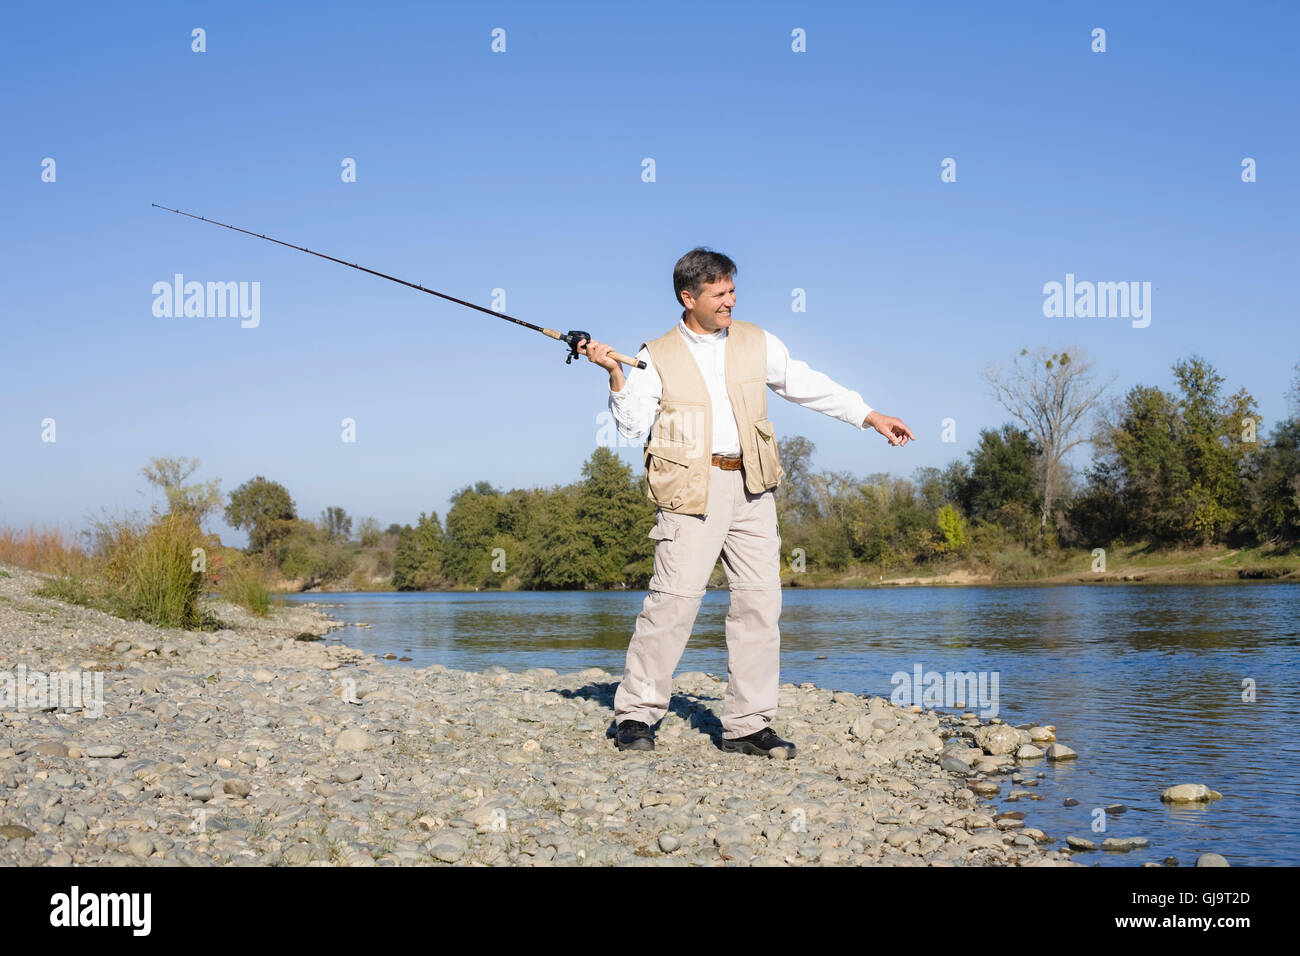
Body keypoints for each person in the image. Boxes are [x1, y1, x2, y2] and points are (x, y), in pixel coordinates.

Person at [578, 247, 913, 758]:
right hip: (692, 491)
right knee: (672, 603)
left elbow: (806, 384)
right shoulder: (655, 354)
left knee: (760, 604)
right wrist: (615, 374)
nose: (731, 300)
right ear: (688, 298)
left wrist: (869, 415)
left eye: (732, 290)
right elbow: (628, 425)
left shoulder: (757, 341)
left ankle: (747, 724)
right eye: (719, 294)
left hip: (754, 487)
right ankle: (635, 715)